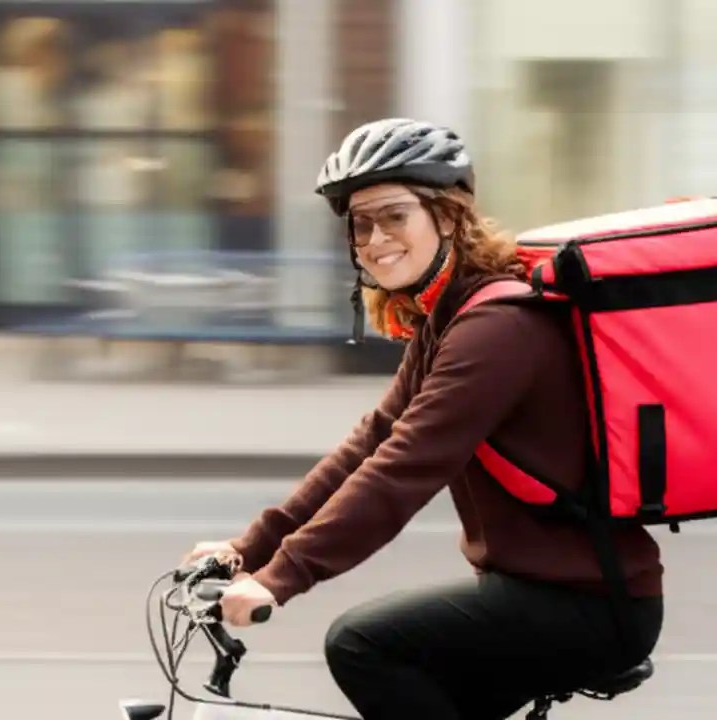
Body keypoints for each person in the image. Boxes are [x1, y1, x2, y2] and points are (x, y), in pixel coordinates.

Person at [182, 118, 664, 720]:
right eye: (361, 224)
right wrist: (246, 549)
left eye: (393, 215)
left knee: (363, 645)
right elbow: (370, 443)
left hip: (590, 604)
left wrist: (283, 577)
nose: (374, 237)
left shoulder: (497, 328)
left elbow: (403, 467)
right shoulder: (449, 320)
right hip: (536, 591)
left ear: (447, 216)